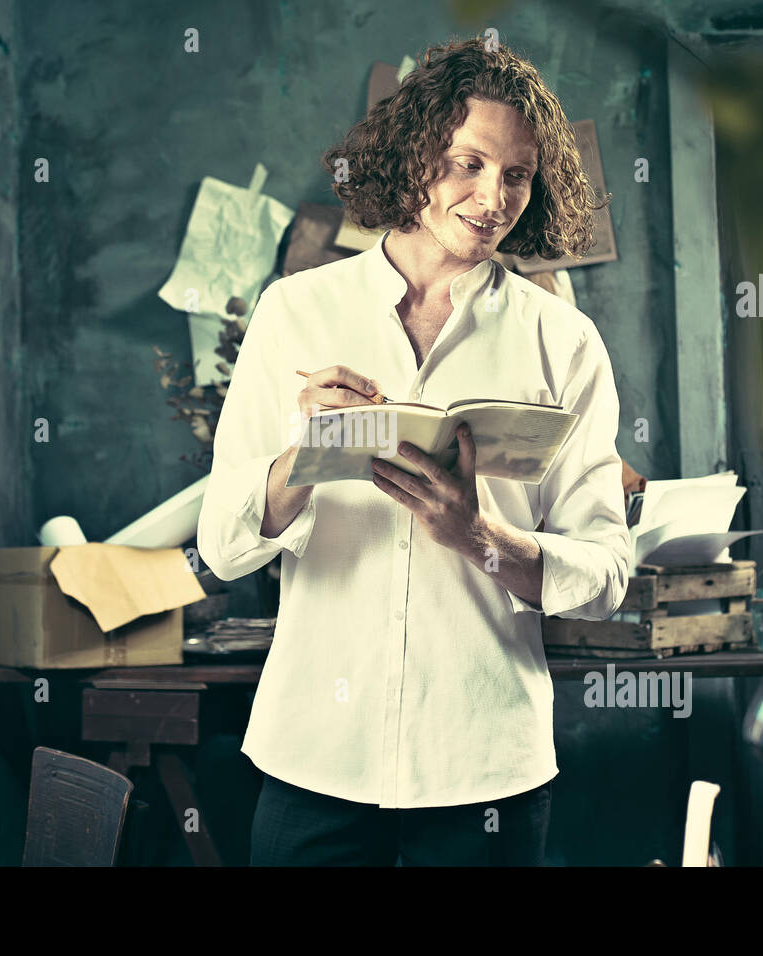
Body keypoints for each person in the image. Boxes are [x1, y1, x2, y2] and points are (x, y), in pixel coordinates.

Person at [197, 36, 630, 866]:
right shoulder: (295, 313)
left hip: (485, 770)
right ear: (418, 151)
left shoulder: (566, 344)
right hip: (313, 755)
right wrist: (302, 461)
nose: (490, 197)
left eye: (516, 176)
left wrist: (478, 538)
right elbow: (221, 544)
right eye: (468, 162)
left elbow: (607, 575)